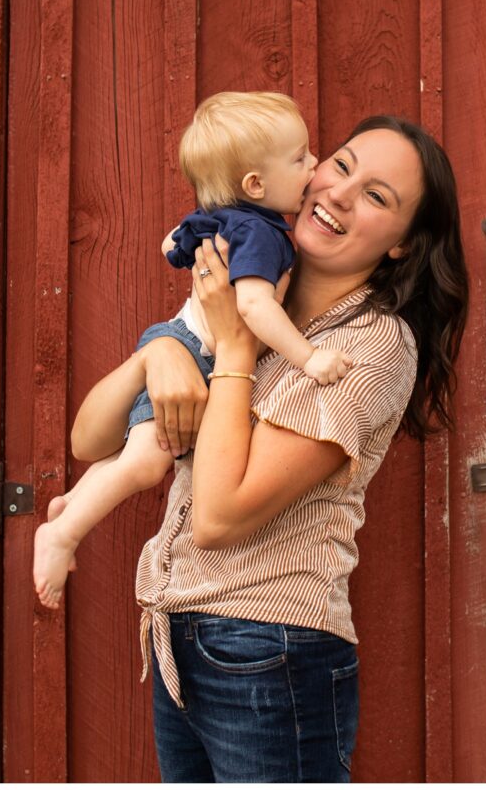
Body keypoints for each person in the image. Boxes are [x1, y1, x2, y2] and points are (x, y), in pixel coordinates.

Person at [64, 115, 468, 781]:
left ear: (402, 244)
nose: (338, 192)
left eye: (376, 195)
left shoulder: (367, 346)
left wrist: (234, 345)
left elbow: (219, 515)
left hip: (272, 647)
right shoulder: (252, 299)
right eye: (340, 165)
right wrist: (159, 350)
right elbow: (90, 438)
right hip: (182, 641)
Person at [32, 91, 353, 610]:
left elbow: (173, 243)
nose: (313, 165)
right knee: (142, 466)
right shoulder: (264, 233)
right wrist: (308, 358)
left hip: (181, 338)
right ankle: (64, 532)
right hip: (195, 352)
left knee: (127, 457)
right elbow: (252, 307)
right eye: (300, 158)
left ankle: (73, 504)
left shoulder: (228, 217)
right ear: (256, 184)